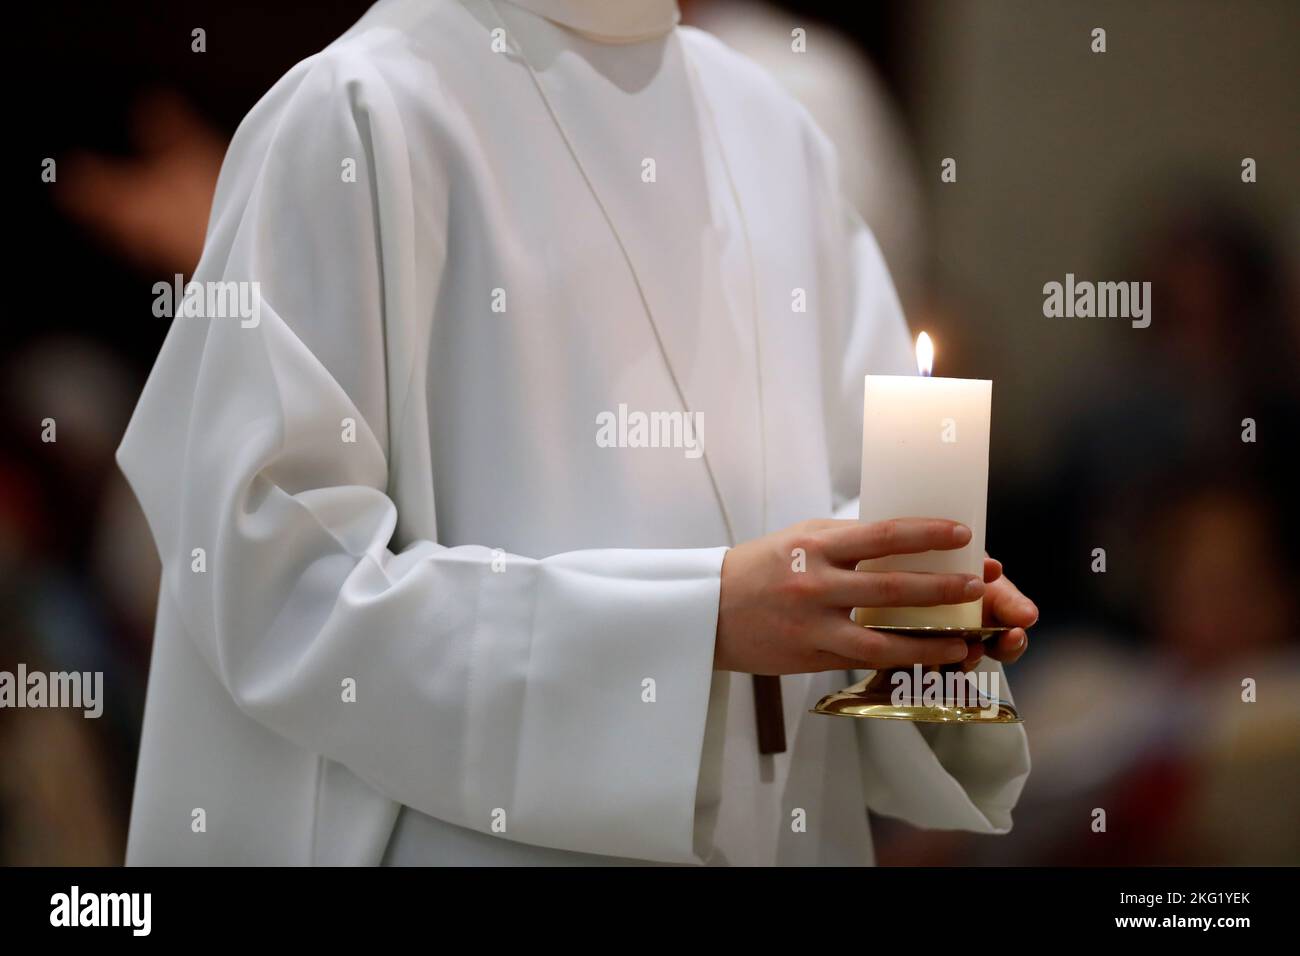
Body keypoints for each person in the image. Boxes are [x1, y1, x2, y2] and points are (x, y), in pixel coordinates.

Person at [117, 0, 1035, 866]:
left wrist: (923, 620)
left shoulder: (775, 128)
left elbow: (861, 503)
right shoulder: (361, 110)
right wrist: (700, 624)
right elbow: (274, 586)